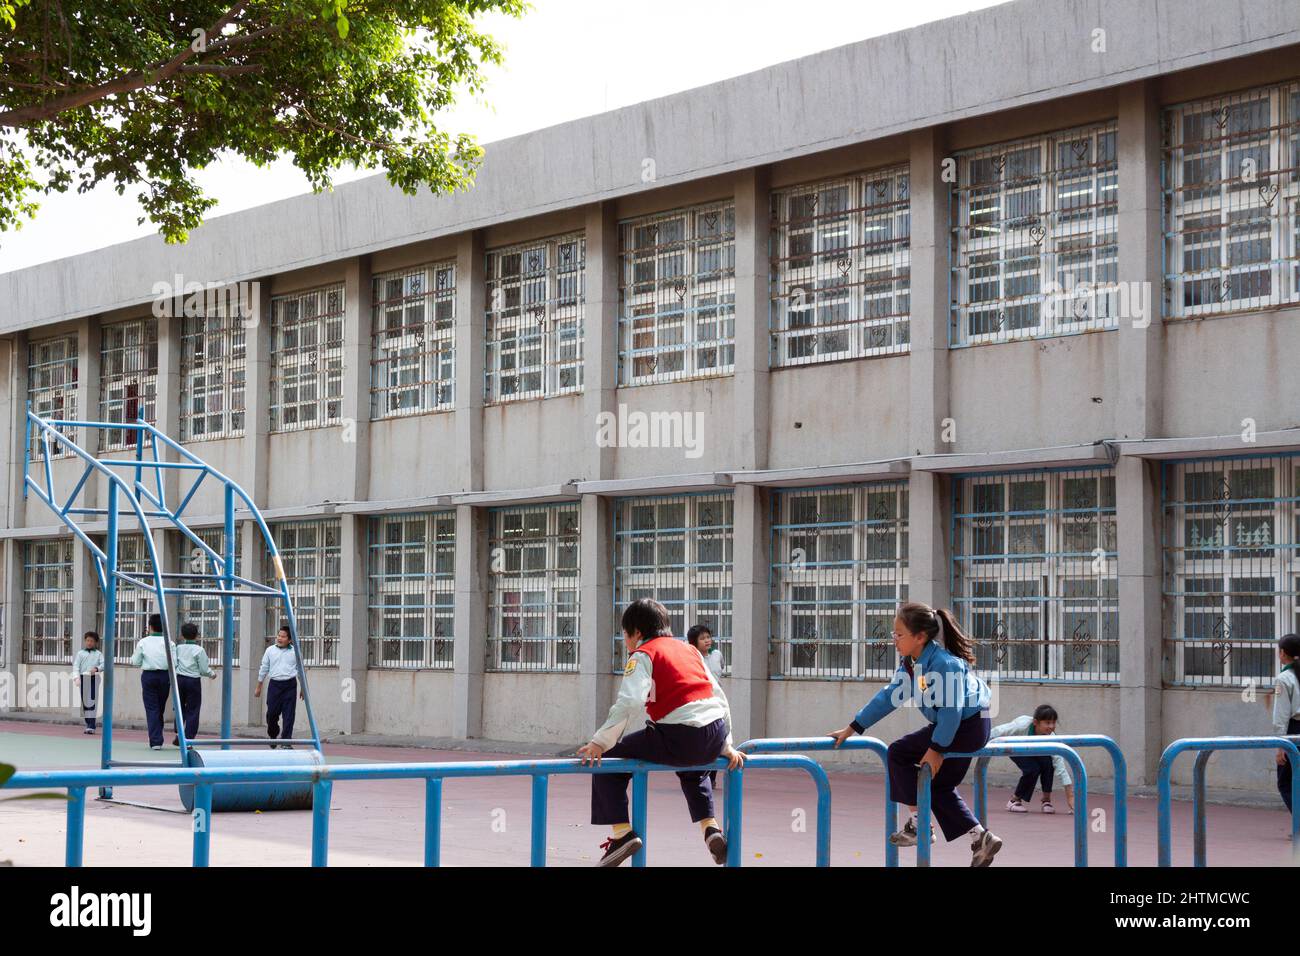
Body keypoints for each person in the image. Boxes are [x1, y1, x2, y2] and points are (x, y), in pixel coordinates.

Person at [826, 600, 1003, 867]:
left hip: (967, 725)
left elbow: (951, 712)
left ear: (920, 637)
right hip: (955, 726)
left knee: (897, 752)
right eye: (893, 634)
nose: (894, 640)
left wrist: (937, 749)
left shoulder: (944, 664)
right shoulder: (912, 664)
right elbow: (889, 697)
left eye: (899, 635)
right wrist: (854, 727)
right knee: (937, 784)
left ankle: (919, 824)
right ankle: (980, 838)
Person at [577, 598, 746, 867]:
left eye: (625, 634)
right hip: (713, 732)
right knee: (694, 768)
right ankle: (710, 828)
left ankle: (622, 834)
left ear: (637, 633)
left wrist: (601, 741)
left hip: (679, 736)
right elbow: (718, 695)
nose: (625, 640)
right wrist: (726, 744)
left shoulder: (643, 654)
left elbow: (630, 702)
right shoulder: (690, 651)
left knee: (608, 763)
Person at [990, 704, 1074, 814]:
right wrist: (980, 741)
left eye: (1054, 722)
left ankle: (1046, 801)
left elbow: (1060, 765)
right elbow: (998, 731)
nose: (1052, 726)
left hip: (1033, 749)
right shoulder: (1021, 725)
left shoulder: (1051, 737)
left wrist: (1070, 797)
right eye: (1048, 723)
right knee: (1032, 769)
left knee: (1048, 763)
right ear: (1035, 722)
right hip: (1015, 747)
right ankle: (1013, 801)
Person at [129, 614, 176, 751]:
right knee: (159, 708)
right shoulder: (170, 642)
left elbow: (135, 661)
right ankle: (157, 737)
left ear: (150, 627)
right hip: (165, 676)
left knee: (152, 708)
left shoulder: (143, 642)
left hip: (149, 676)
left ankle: (156, 740)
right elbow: (174, 662)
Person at [256, 625, 302, 747]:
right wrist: (259, 685)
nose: (280, 638)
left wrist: (303, 687)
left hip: (290, 685)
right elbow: (264, 668)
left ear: (290, 639)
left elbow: (300, 669)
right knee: (271, 714)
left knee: (289, 715)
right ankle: (273, 735)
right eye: (279, 635)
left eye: (283, 636)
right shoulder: (270, 650)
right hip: (274, 685)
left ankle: (286, 741)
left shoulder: (295, 651)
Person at [171, 622, 217, 746]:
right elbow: (203, 669)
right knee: (193, 710)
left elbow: (174, 664)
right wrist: (212, 674)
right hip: (193, 681)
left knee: (179, 708)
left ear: (182, 635)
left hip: (179, 680)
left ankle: (178, 734)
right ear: (197, 635)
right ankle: (189, 739)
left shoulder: (178, 648)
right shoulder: (199, 650)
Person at [1273, 634, 1300, 812]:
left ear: (1282, 653)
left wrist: (1280, 744)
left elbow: (1281, 714)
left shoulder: (1284, 679)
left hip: (1294, 728)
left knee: (1285, 782)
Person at [71, 631, 103, 734]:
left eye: (92, 641)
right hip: (83, 678)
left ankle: (91, 726)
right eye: (88, 640)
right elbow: (76, 666)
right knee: (85, 702)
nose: (89, 643)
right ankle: (88, 723)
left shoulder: (99, 654)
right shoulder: (80, 653)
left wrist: (97, 668)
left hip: (94, 678)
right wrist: (76, 678)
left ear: (96, 643)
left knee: (92, 701)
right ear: (85, 641)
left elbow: (104, 664)